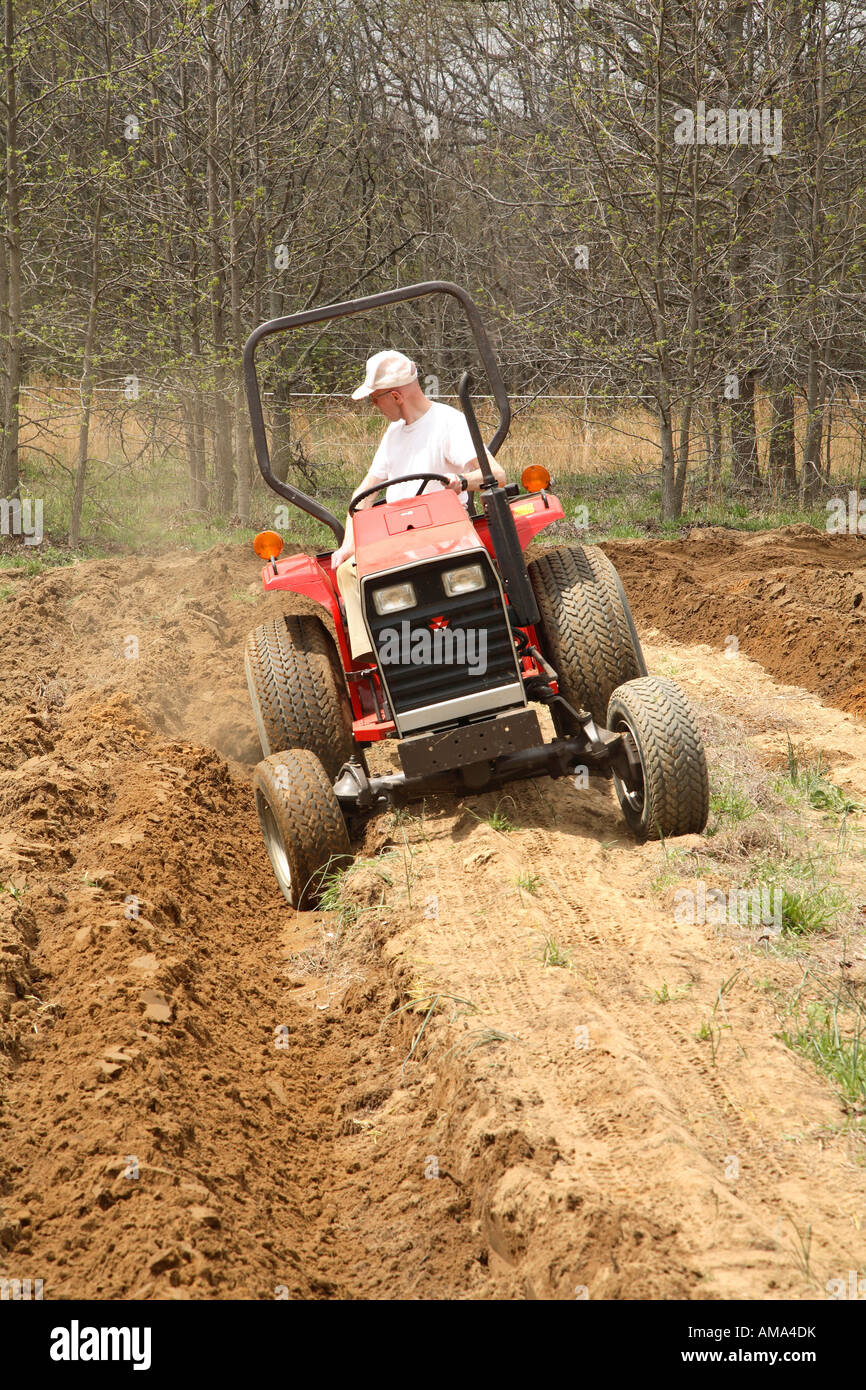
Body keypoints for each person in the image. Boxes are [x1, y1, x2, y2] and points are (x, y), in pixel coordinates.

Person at [333, 349, 506, 659]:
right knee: (347, 570)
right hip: (397, 539)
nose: (375, 406)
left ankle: (484, 640)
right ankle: (372, 656)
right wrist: (348, 545)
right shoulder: (393, 435)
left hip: (444, 534)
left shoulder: (448, 423)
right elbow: (363, 495)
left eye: (376, 399)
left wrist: (461, 482)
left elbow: (495, 474)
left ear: (396, 396)